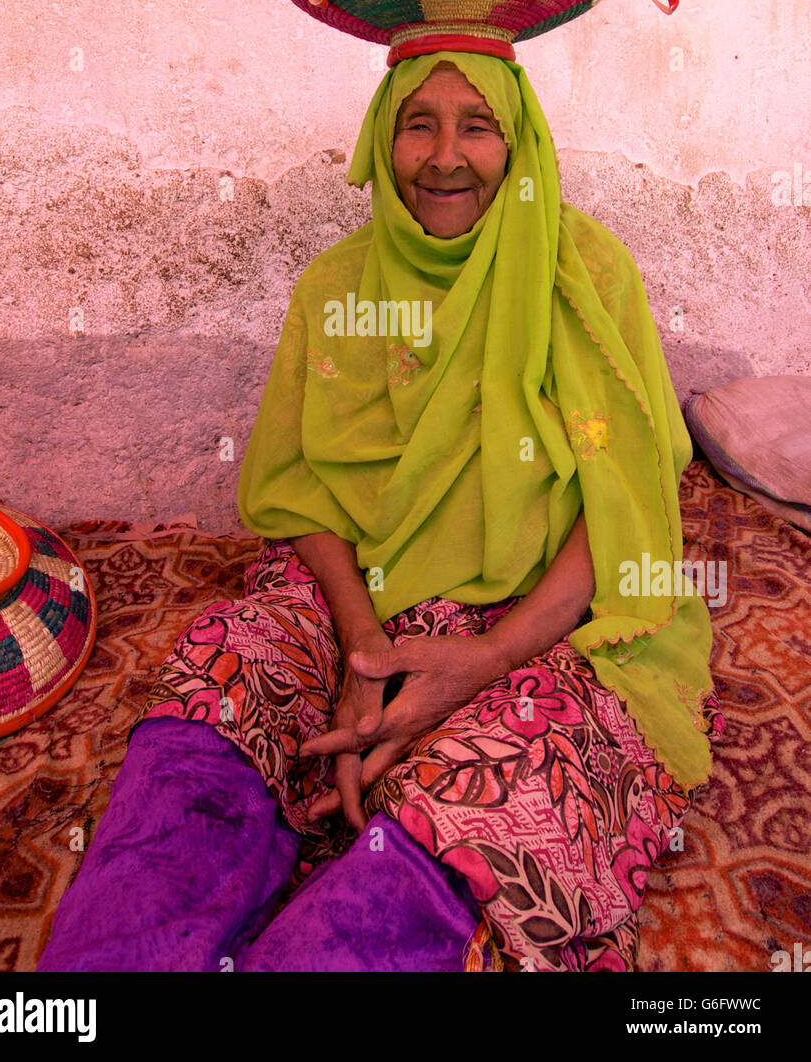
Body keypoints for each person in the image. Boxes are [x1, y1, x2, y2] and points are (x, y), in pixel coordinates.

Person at [38, 48, 721, 974]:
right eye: (418, 123)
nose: (445, 156)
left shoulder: (586, 279)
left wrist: (488, 659)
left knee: (509, 792)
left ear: (518, 147)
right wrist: (363, 650)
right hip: (358, 587)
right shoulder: (335, 289)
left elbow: (625, 508)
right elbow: (303, 493)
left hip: (544, 614)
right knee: (225, 685)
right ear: (379, 140)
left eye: (477, 126)